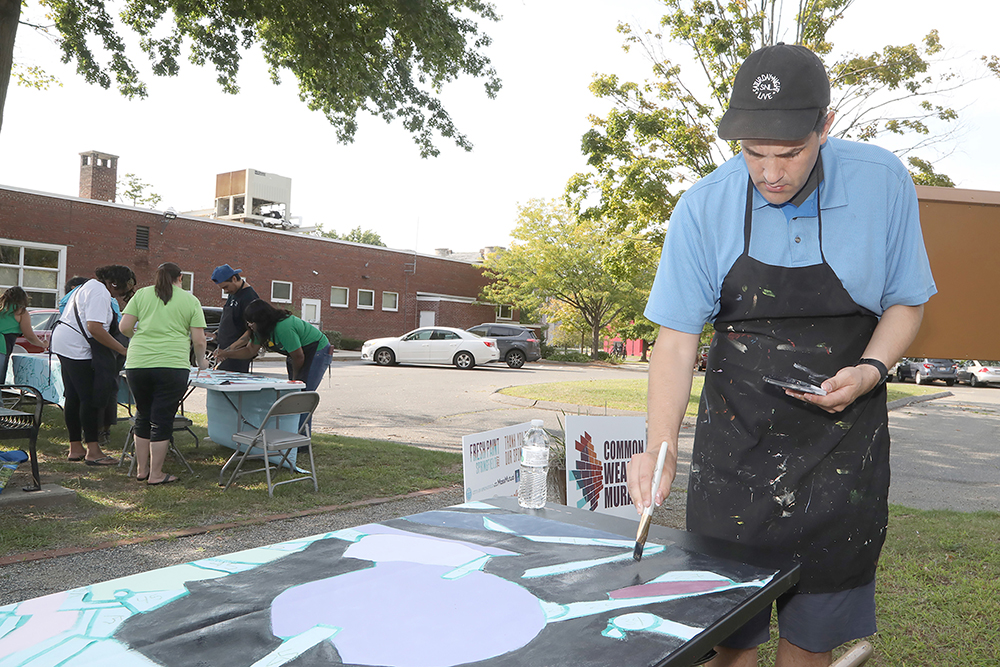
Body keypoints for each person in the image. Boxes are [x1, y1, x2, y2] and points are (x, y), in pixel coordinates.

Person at [626, 44, 936, 667]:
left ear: (825, 126)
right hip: (734, 452)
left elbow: (907, 301)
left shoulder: (882, 182)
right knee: (726, 638)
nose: (770, 173)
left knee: (812, 639)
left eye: (789, 152)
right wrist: (660, 446)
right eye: (753, 152)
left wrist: (871, 371)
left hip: (842, 454)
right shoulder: (704, 206)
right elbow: (677, 339)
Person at [120, 262, 208, 485]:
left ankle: (142, 470)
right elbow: (199, 340)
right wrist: (201, 362)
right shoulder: (190, 300)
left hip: (138, 362)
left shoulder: (141, 294)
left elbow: (124, 327)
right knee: (162, 419)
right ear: (180, 278)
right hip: (172, 364)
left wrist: (138, 336)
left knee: (143, 415)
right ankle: (156, 474)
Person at [50, 265, 136, 465]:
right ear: (114, 284)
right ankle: (93, 452)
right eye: (124, 288)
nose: (122, 295)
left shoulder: (87, 286)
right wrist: (122, 350)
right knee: (89, 398)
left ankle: (75, 448)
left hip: (64, 343)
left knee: (73, 397)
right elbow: (95, 328)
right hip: (77, 348)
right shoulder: (100, 293)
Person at [216, 299, 332, 392]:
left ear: (262, 320)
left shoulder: (283, 327)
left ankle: (302, 415)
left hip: (317, 349)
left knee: (302, 391)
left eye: (252, 322)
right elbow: (250, 350)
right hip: (297, 353)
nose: (250, 325)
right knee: (295, 391)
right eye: (248, 322)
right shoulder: (260, 329)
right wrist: (226, 354)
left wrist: (296, 378)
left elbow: (298, 357)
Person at [209, 264, 259, 372]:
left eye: (226, 287)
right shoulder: (233, 293)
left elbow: (252, 330)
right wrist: (215, 334)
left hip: (237, 356)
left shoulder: (249, 297)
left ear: (234, 279)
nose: (225, 291)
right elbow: (229, 321)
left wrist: (229, 350)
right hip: (224, 353)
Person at [0, 286, 49, 380]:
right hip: (2, 346)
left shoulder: (2, 308)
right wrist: (43, 344)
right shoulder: (20, 311)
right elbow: (29, 335)